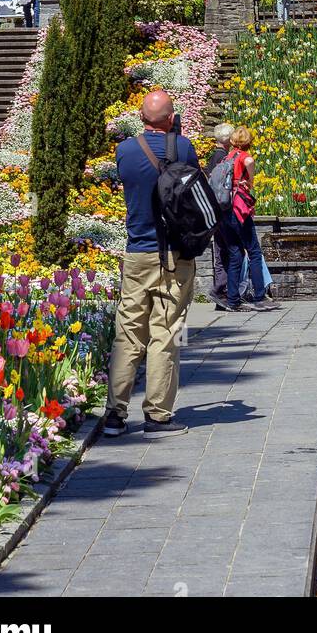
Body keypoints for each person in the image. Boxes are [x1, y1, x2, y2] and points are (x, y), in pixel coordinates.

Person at [104, 90, 200, 437]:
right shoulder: (184, 147)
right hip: (175, 255)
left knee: (128, 331)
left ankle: (115, 414)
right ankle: (157, 415)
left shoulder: (125, 151)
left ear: (140, 117)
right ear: (171, 117)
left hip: (138, 253)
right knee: (166, 333)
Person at [218, 126, 275, 313]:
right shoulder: (243, 156)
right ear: (249, 142)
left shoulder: (227, 157)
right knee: (254, 251)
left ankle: (233, 299)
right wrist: (250, 180)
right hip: (239, 209)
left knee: (235, 253)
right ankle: (259, 296)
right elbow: (249, 161)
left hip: (224, 210)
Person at [206, 124, 234, 309]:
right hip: (223, 211)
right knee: (225, 251)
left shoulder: (213, 157)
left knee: (221, 250)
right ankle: (220, 290)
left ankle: (221, 292)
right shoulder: (222, 157)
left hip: (216, 211)